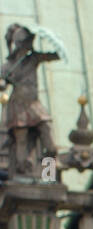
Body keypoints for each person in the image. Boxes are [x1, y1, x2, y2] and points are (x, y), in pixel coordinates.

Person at [1, 24, 59, 179]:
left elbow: (56, 55)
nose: (30, 44)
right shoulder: (9, 65)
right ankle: (24, 174)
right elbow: (1, 83)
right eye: (28, 41)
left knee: (49, 139)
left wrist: (50, 46)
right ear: (20, 43)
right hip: (18, 104)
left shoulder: (34, 58)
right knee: (22, 142)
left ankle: (49, 175)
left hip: (34, 104)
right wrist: (4, 81)